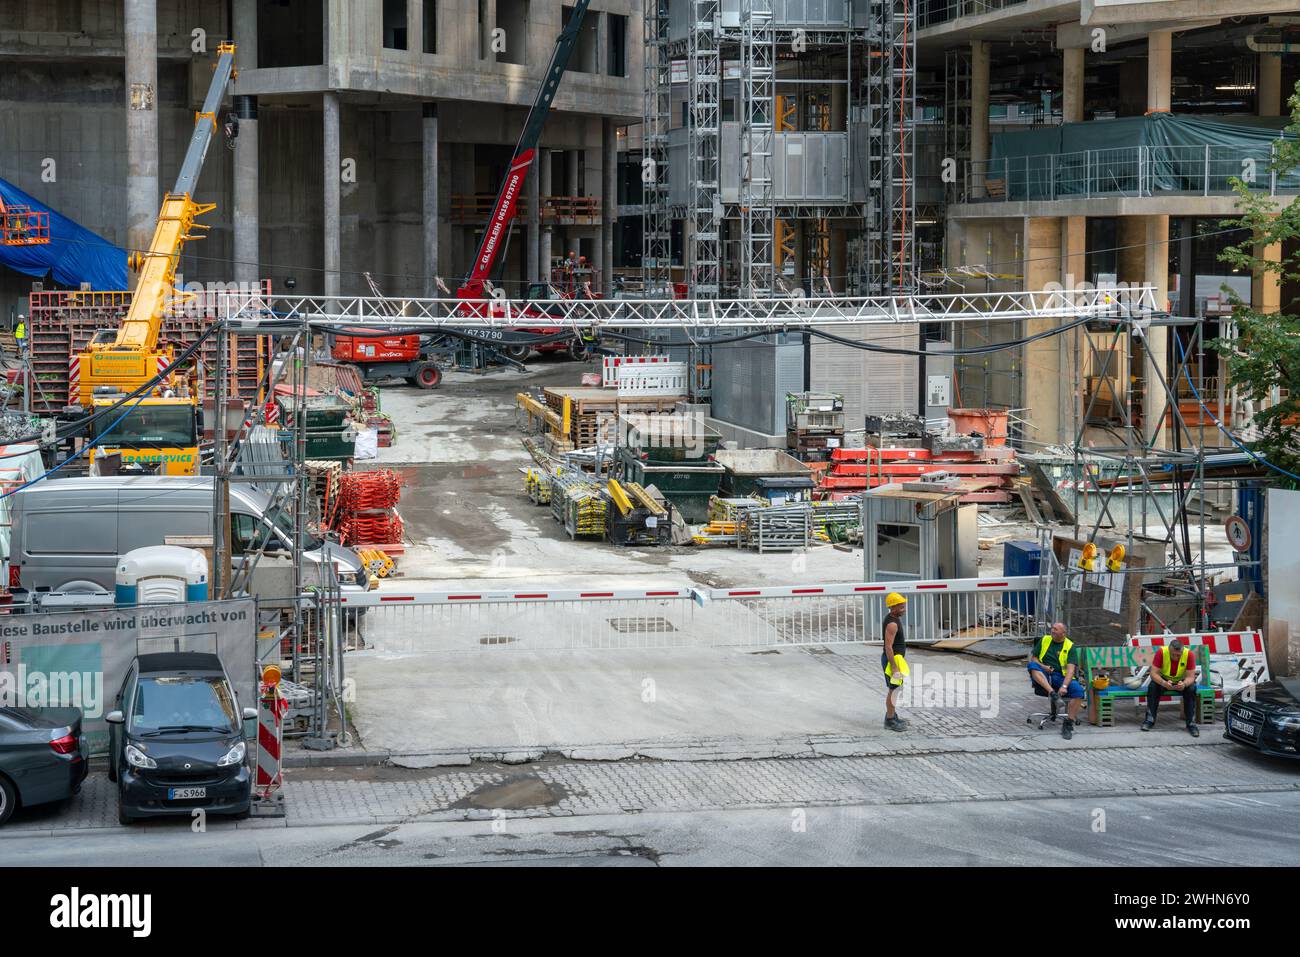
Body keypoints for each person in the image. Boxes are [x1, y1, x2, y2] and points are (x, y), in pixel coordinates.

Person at [1028, 622, 1085, 740]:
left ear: (1063, 633)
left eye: (1056, 629)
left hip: (1061, 676)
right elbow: (1034, 658)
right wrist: (1044, 667)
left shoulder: (1070, 646)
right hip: (1044, 674)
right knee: (1032, 665)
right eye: (1052, 628)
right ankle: (1052, 694)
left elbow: (1070, 670)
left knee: (1079, 691)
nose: (1052, 631)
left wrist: (1064, 686)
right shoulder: (1044, 640)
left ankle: (1068, 724)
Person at [1141, 639, 1201, 737]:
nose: (1176, 657)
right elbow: (1153, 673)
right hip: (1164, 679)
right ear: (1169, 651)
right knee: (1152, 687)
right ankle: (1149, 720)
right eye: (1173, 655)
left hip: (1181, 680)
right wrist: (1163, 683)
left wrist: (1184, 684)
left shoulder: (1189, 654)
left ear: (1182, 651)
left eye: (1178, 655)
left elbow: (1191, 677)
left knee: (1191, 689)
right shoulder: (1161, 652)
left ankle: (1191, 724)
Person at [882, 592, 908, 732]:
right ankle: (890, 720)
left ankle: (892, 715)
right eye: (901, 607)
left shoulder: (894, 618)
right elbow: (888, 647)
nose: (904, 609)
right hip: (893, 661)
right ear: (893, 607)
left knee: (897, 689)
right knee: (894, 690)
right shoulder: (892, 624)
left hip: (897, 660)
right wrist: (894, 667)